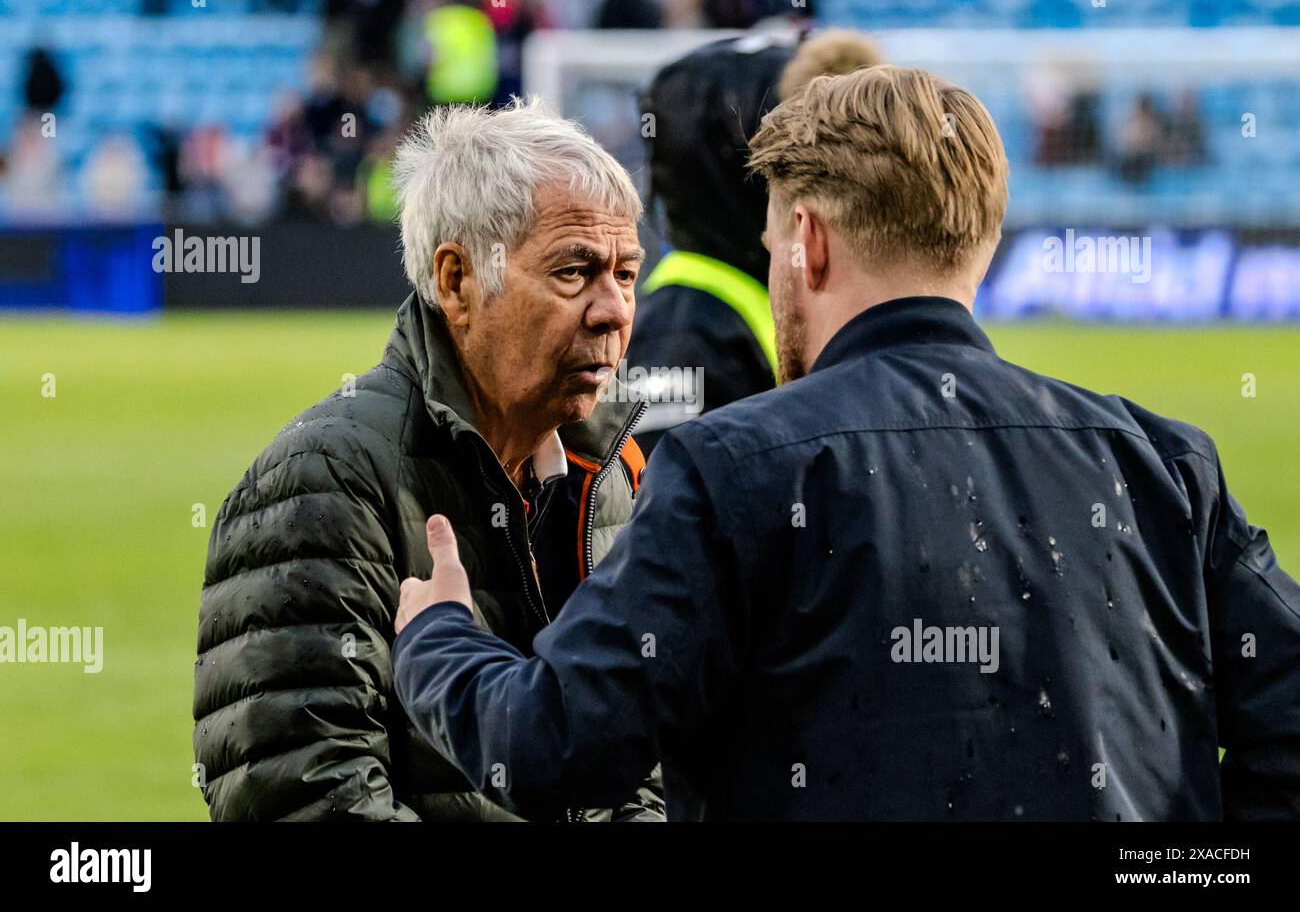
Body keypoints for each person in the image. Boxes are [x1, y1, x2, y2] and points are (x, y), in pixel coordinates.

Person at [392, 65, 1300, 821]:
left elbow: (552, 746)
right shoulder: (1164, 465)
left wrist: (437, 636)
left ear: (808, 243)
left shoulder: (730, 469)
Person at [193, 99, 664, 822]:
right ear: (457, 281)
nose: (613, 311)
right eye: (575, 271)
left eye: (626, 275)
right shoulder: (323, 481)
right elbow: (304, 797)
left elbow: (639, 772)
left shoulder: (612, 479)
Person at [628, 30, 882, 452]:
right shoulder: (682, 332)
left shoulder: (763, 289)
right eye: (797, 147)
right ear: (746, 164)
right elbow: (662, 506)